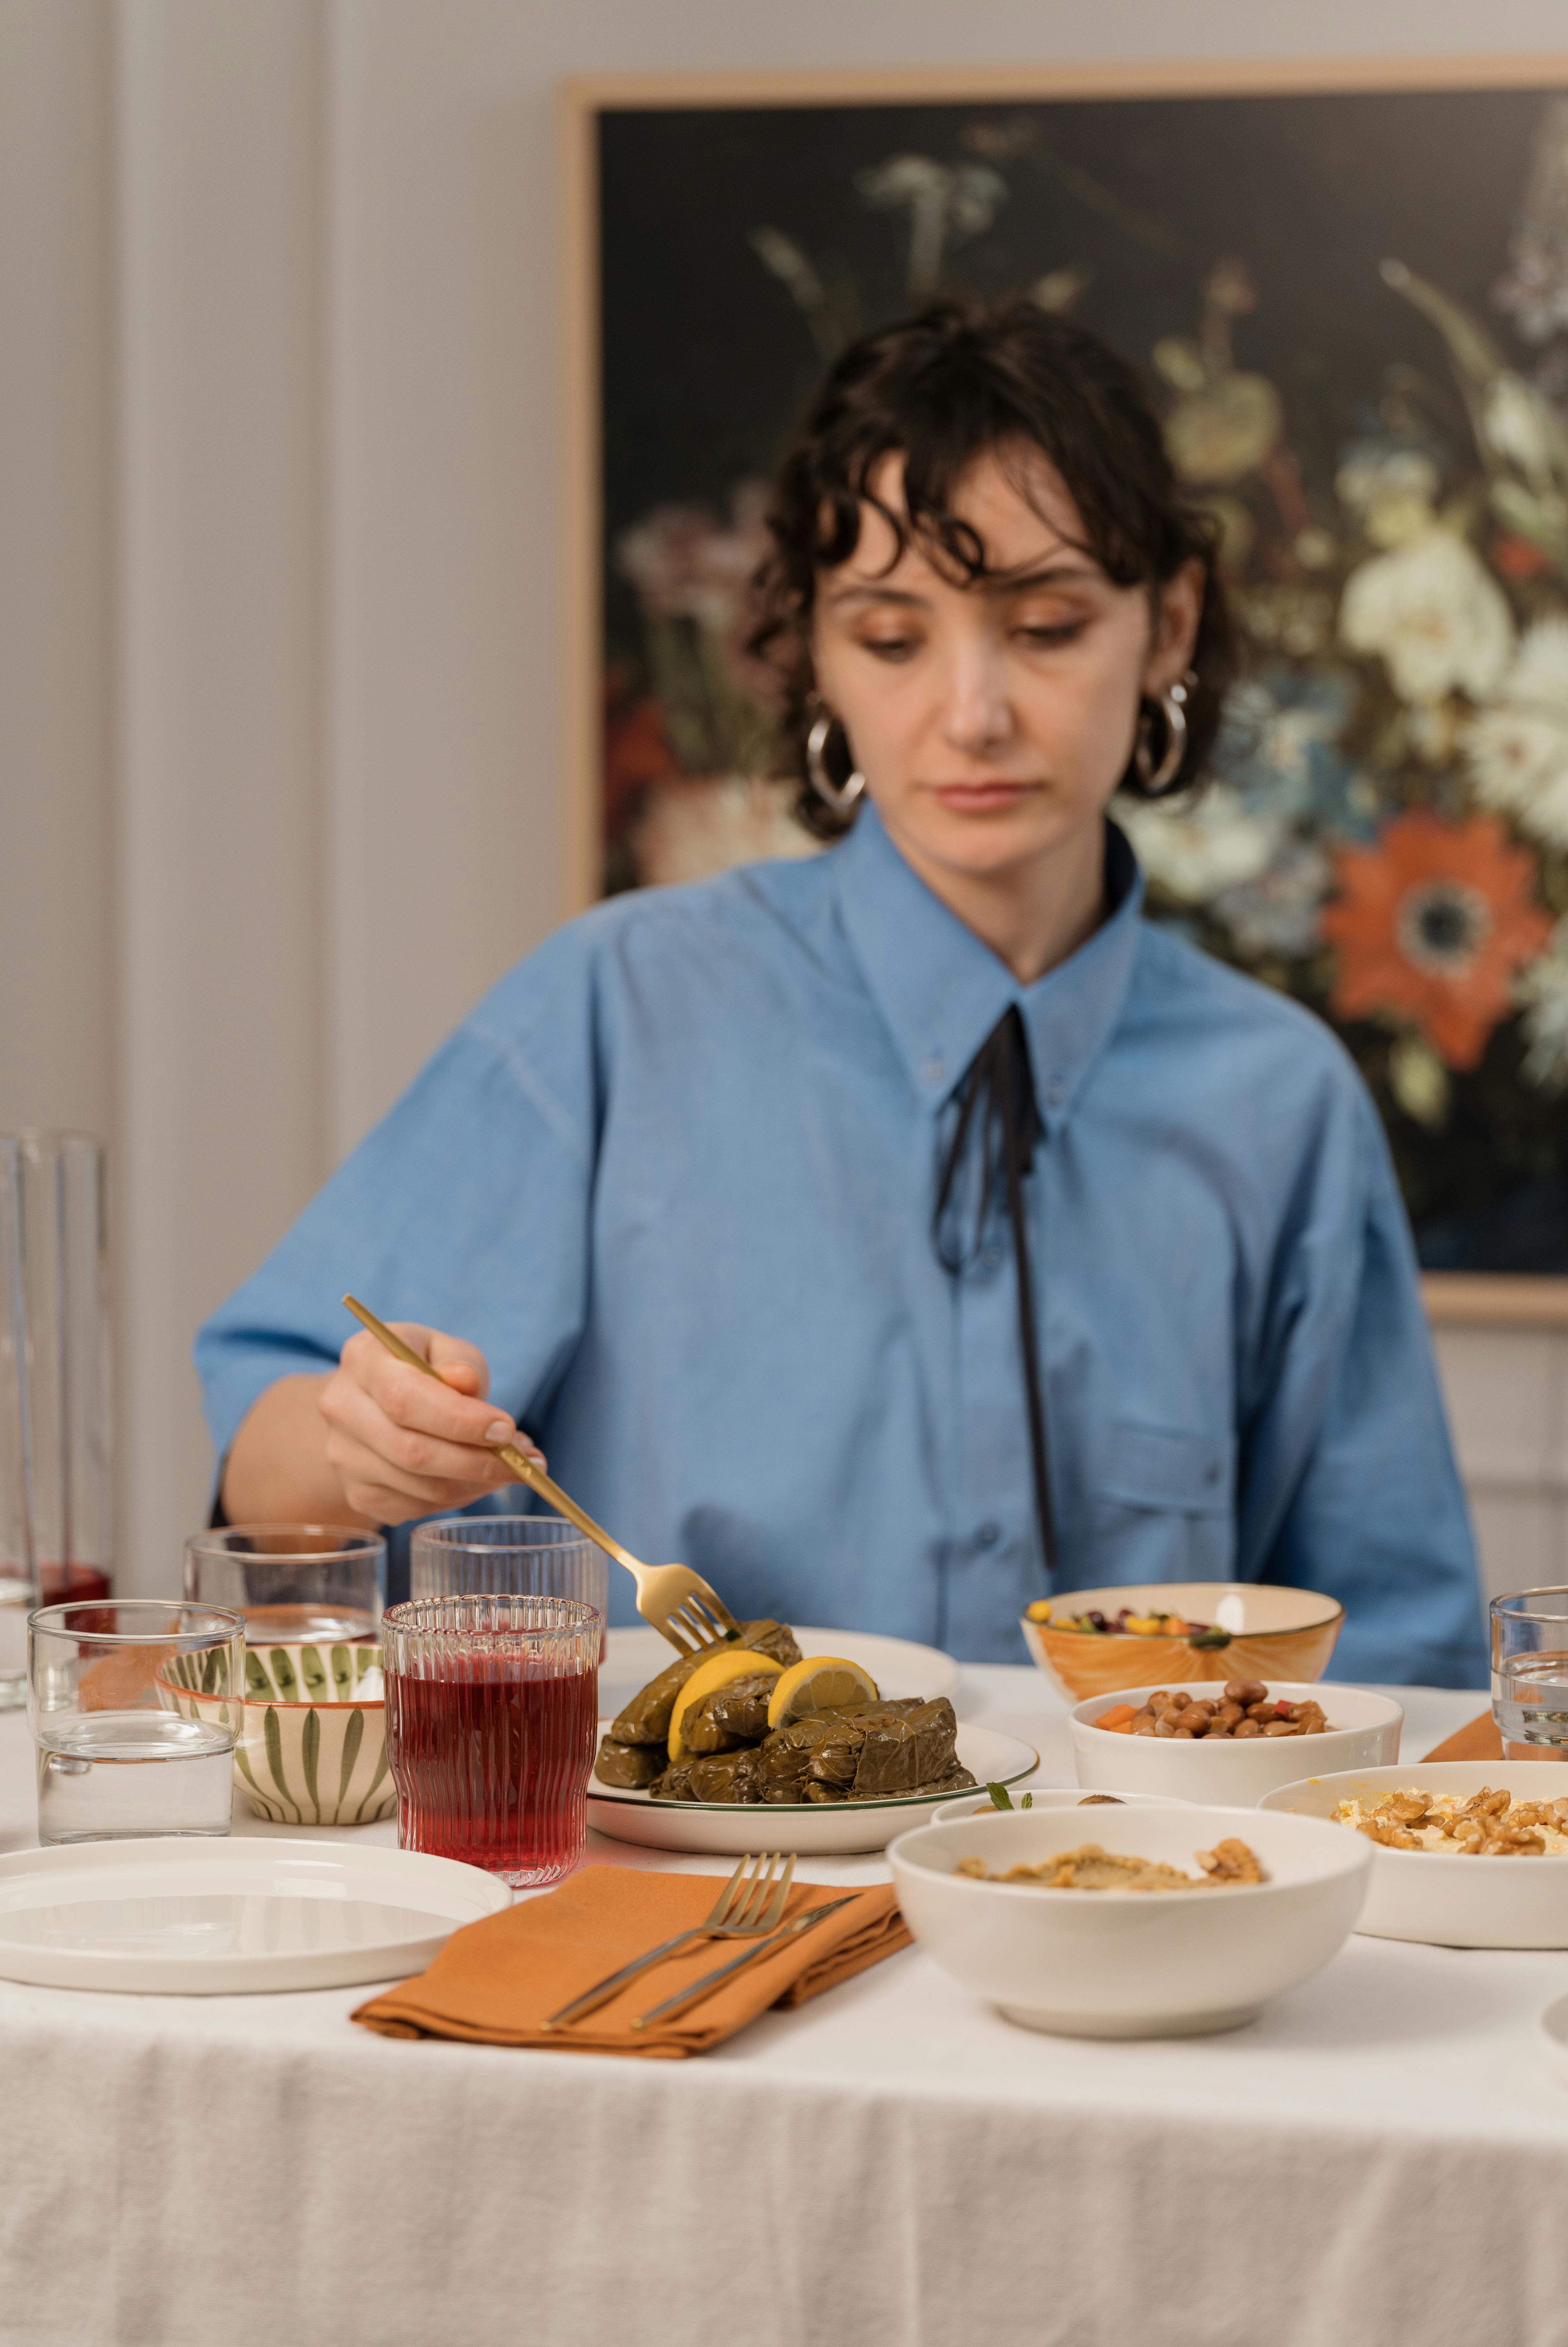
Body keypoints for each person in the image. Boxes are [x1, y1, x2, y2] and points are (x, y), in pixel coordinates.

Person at [197, 298, 1486, 1684]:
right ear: (814, 647)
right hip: (670, 1826)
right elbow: (264, 1471)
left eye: (1047, 626)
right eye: (891, 638)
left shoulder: (1280, 1100)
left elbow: (1396, 1662)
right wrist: (363, 1445)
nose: (973, 714)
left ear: (1168, 624)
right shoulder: (617, 1005)